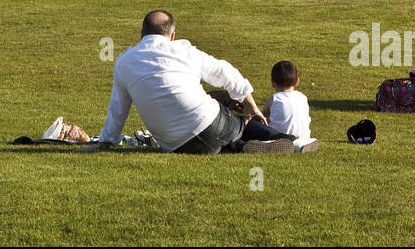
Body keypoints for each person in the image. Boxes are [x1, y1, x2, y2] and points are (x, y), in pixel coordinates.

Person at [92, 10, 283, 154]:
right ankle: (285, 139)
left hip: (176, 144)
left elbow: (118, 109)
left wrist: (105, 142)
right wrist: (251, 105)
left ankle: (242, 147)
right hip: (212, 124)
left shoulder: (124, 62)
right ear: (172, 35)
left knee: (216, 140)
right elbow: (223, 71)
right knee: (240, 123)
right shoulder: (184, 50)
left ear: (142, 34)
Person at [263, 60, 319, 150]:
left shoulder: (274, 98)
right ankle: (301, 143)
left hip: (278, 137)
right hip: (303, 136)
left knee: (257, 125)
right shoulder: (303, 97)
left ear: (273, 83)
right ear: (297, 81)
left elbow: (263, 117)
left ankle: (281, 143)